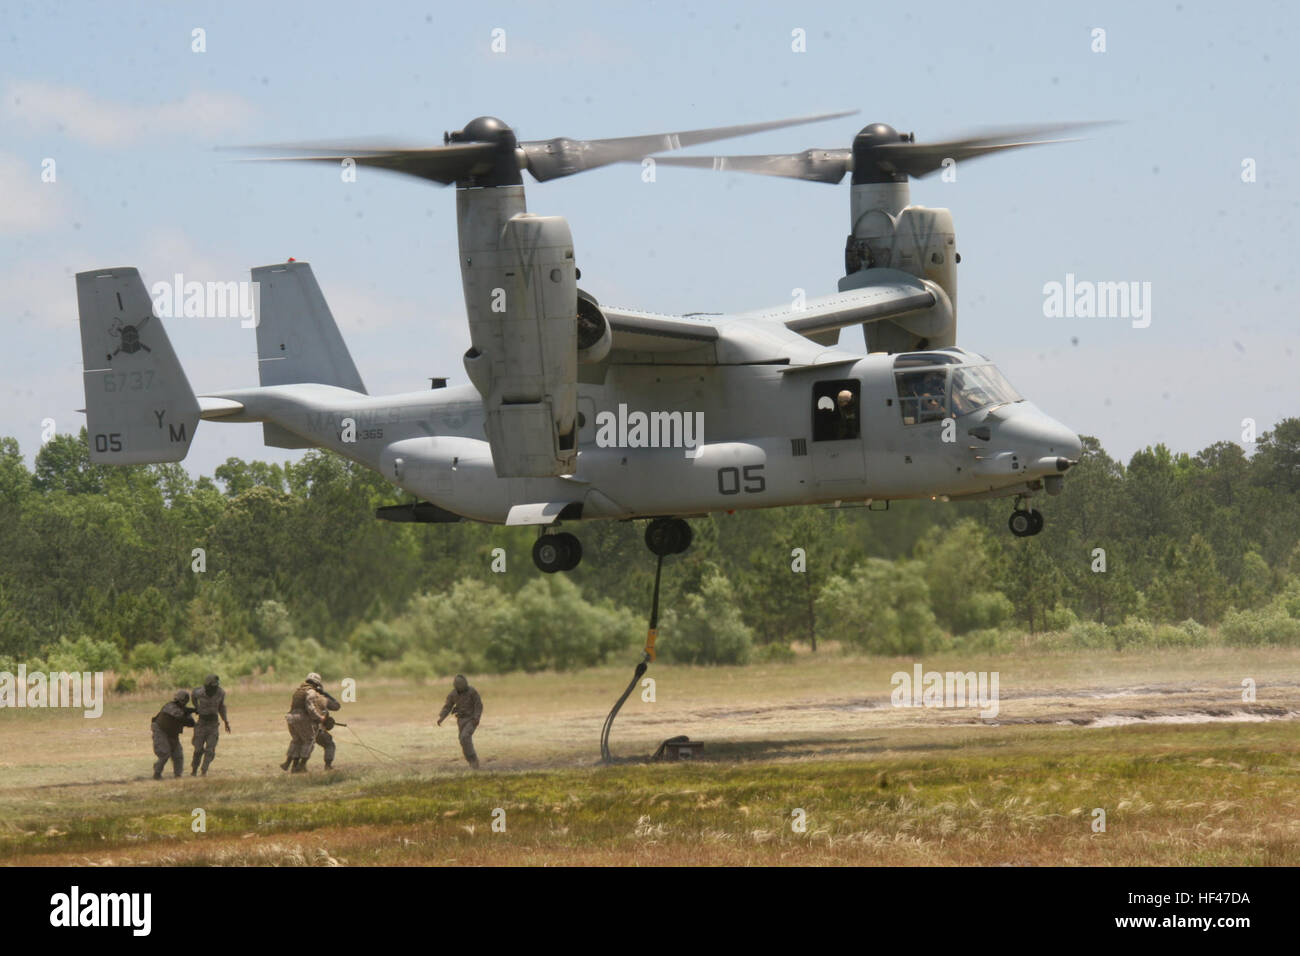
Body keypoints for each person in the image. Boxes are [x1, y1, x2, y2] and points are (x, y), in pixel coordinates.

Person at [281, 672, 331, 773]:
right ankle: (301, 766)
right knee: (309, 740)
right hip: (301, 718)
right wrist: (320, 718)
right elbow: (310, 708)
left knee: (297, 740)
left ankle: (290, 764)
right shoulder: (311, 692)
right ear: (316, 684)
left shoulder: (298, 691)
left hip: (291, 718)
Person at [437, 674, 483, 769]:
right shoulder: (453, 694)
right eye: (458, 685)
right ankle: (471, 761)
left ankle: (473, 760)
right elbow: (448, 706)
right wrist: (441, 717)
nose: (461, 686)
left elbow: (479, 705)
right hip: (461, 720)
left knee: (465, 737)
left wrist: (476, 718)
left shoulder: (472, 692)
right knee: (462, 741)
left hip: (471, 719)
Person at [190, 673, 231, 776]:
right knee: (198, 749)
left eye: (216, 685)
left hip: (213, 724)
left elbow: (221, 707)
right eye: (213, 686)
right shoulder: (199, 692)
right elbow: (193, 695)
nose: (215, 688)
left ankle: (204, 771)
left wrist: (226, 721)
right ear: (208, 685)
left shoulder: (221, 693)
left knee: (210, 750)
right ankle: (194, 769)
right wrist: (196, 707)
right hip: (201, 724)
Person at [151, 690, 196, 779]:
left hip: (173, 734)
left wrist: (192, 713)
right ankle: (157, 773)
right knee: (164, 753)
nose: (183, 703)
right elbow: (179, 715)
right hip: (161, 731)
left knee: (178, 755)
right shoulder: (169, 706)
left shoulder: (184, 711)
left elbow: (191, 723)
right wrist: (193, 710)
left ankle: (178, 775)